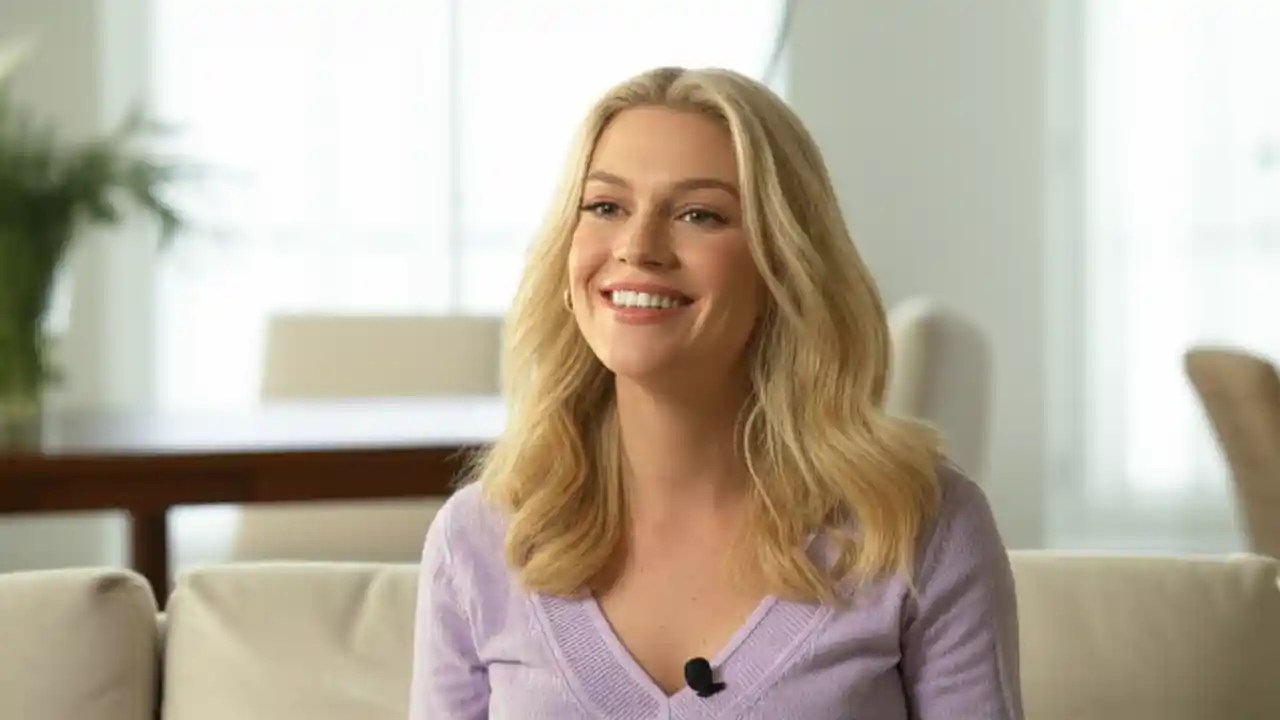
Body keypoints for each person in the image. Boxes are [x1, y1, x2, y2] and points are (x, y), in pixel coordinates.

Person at [408, 66, 1023, 720]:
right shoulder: (475, 542)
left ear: (783, 265)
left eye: (700, 214)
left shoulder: (922, 529)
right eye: (606, 207)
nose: (638, 248)